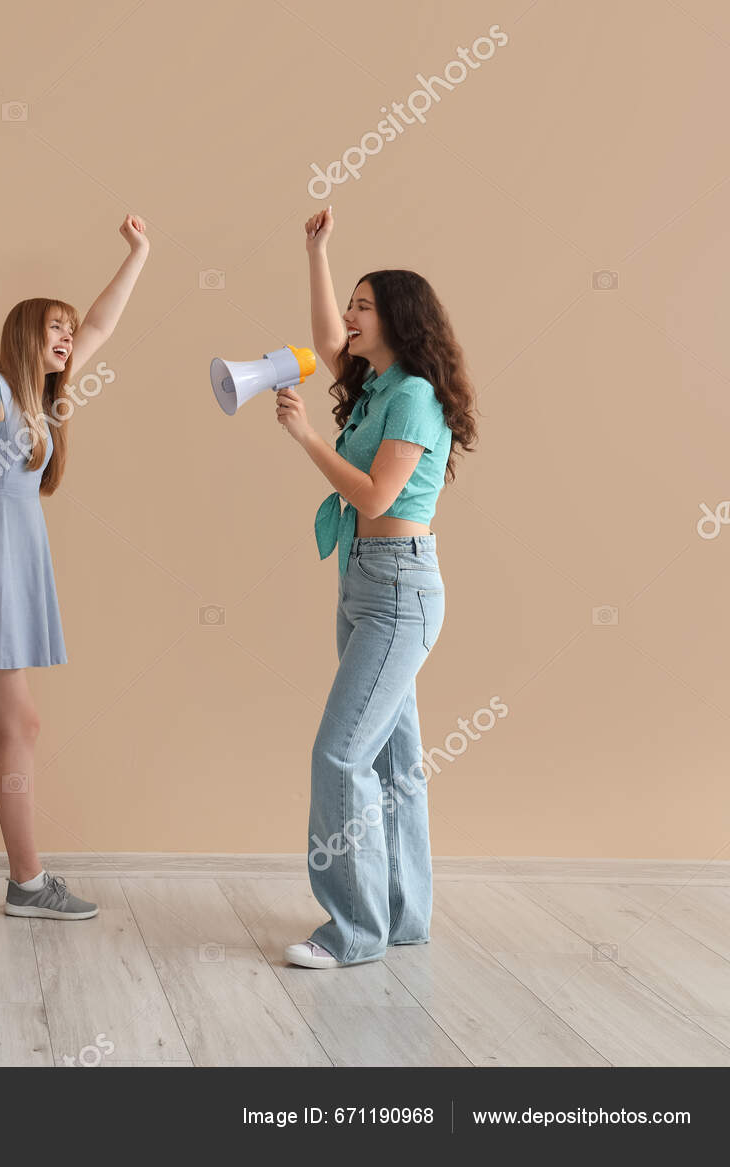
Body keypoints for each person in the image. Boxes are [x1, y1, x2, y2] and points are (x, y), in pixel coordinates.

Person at [0, 215, 150, 921]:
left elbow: (101, 325)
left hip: (11, 571)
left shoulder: (45, 400)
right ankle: (28, 883)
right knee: (22, 725)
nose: (68, 338)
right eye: (54, 328)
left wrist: (138, 253)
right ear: (24, 335)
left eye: (68, 329)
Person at [275, 205, 477, 969]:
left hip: (399, 588)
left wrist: (305, 436)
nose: (351, 317)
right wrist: (317, 252)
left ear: (396, 318)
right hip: (362, 579)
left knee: (340, 756)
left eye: (364, 306)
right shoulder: (377, 383)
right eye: (353, 303)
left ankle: (353, 931)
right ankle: (402, 915)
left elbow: (375, 495)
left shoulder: (414, 395)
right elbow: (329, 339)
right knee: (392, 760)